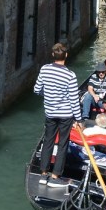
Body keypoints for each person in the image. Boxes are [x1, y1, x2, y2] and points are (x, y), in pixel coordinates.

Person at [33, 43, 82, 188]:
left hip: (50, 113)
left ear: (53, 55)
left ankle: (43, 174)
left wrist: (48, 95)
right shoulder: (70, 75)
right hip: (66, 115)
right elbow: (74, 99)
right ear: (66, 56)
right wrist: (79, 119)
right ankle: (55, 177)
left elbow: (37, 90)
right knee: (62, 144)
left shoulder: (44, 69)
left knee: (48, 141)